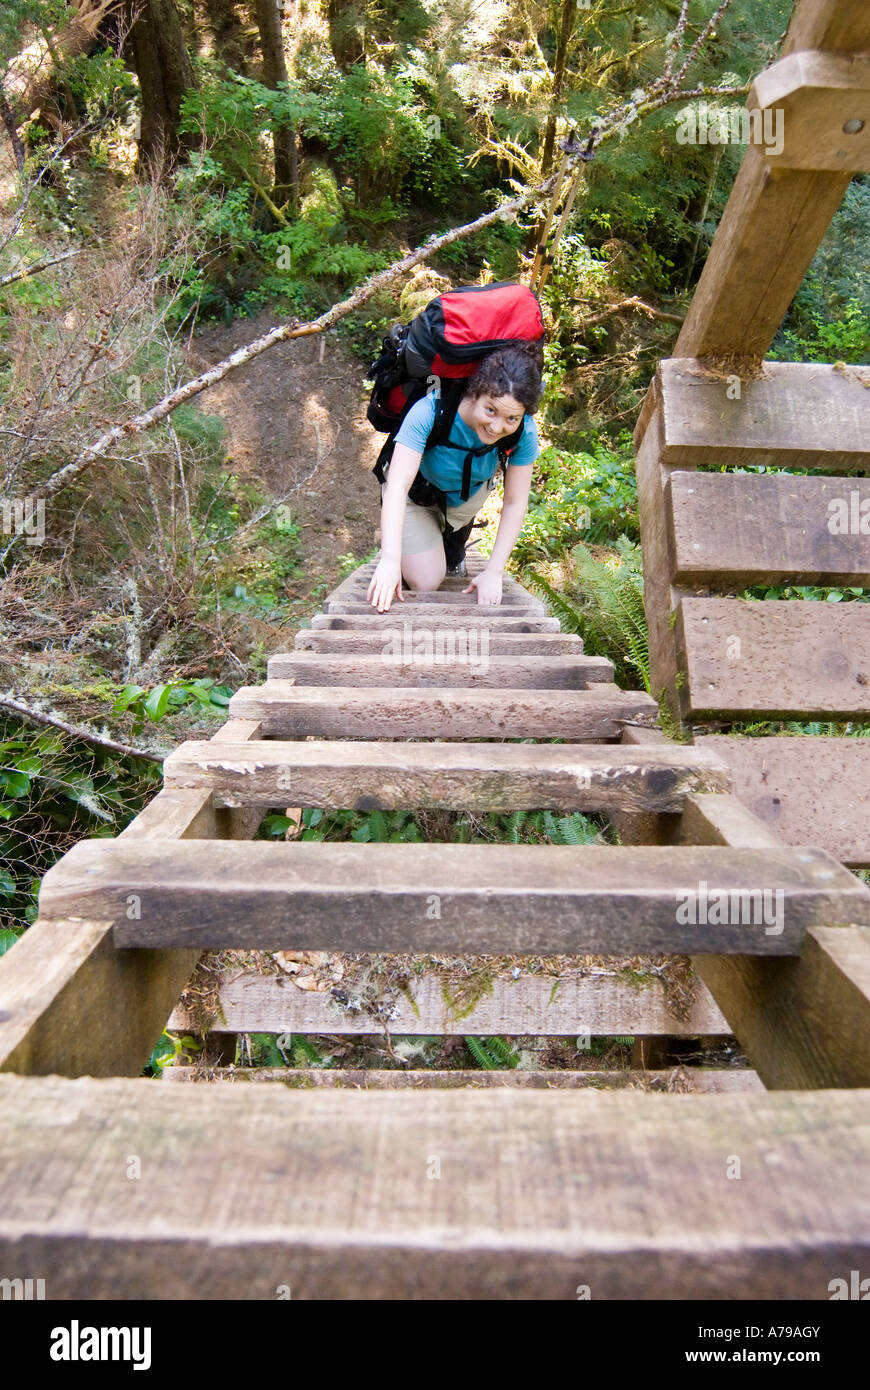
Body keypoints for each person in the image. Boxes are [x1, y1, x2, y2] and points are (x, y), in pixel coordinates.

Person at [367, 341, 543, 612]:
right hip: (418, 497)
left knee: (449, 557)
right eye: (491, 410)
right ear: (475, 393)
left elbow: (515, 502)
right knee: (426, 581)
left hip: (467, 498)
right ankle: (413, 541)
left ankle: (452, 541)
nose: (497, 427)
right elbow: (397, 487)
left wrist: (494, 572)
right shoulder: (431, 409)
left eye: (512, 419)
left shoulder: (525, 432)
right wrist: (389, 560)